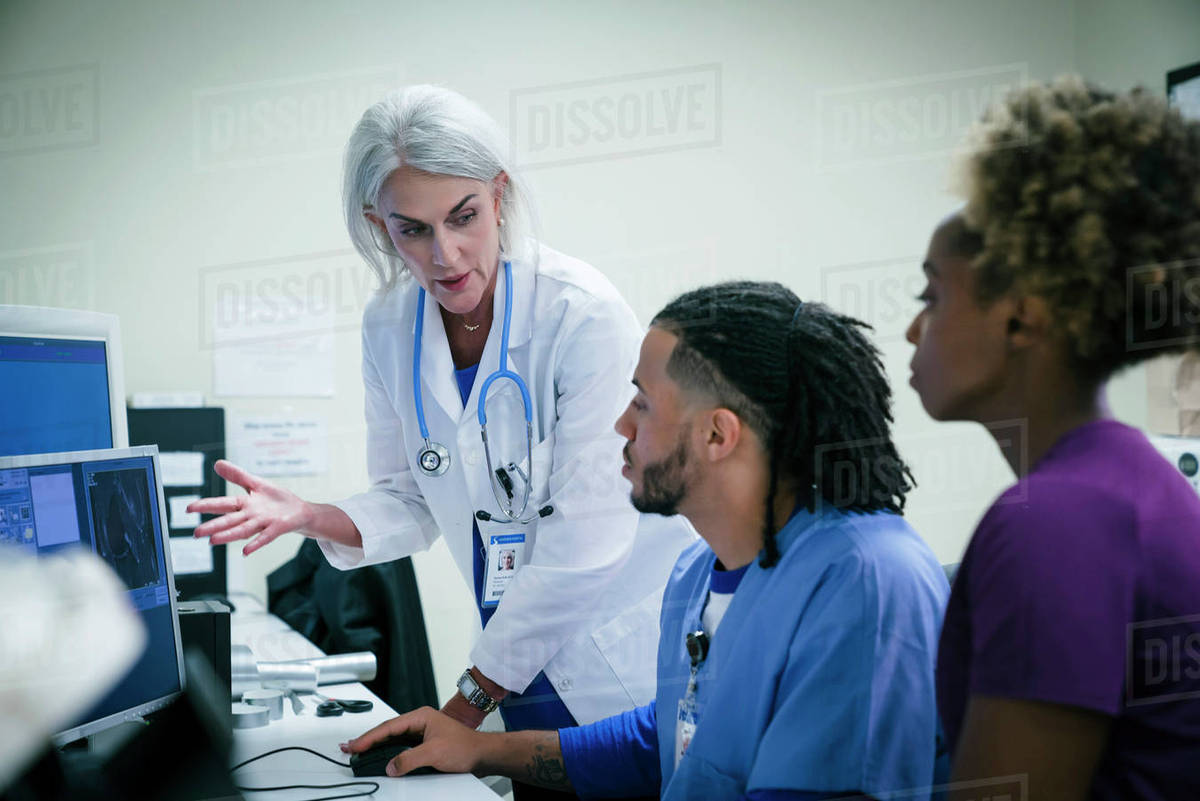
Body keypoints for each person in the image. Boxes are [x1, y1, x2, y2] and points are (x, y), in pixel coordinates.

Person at [189, 85, 695, 800]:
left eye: (464, 217)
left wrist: (460, 715)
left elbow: (587, 543)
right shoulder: (388, 325)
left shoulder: (582, 316)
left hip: (616, 655)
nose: (446, 254)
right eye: (412, 230)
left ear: (500, 195)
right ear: (378, 224)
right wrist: (309, 514)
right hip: (515, 664)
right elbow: (407, 495)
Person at [342, 282, 950, 800]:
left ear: (717, 434)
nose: (621, 426)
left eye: (641, 403)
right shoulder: (695, 576)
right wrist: (479, 749)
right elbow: (663, 740)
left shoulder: (865, 583)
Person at [905, 76, 1200, 800]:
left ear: (1020, 318)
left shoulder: (1056, 522)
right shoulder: (1128, 484)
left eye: (931, 295)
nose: (914, 329)